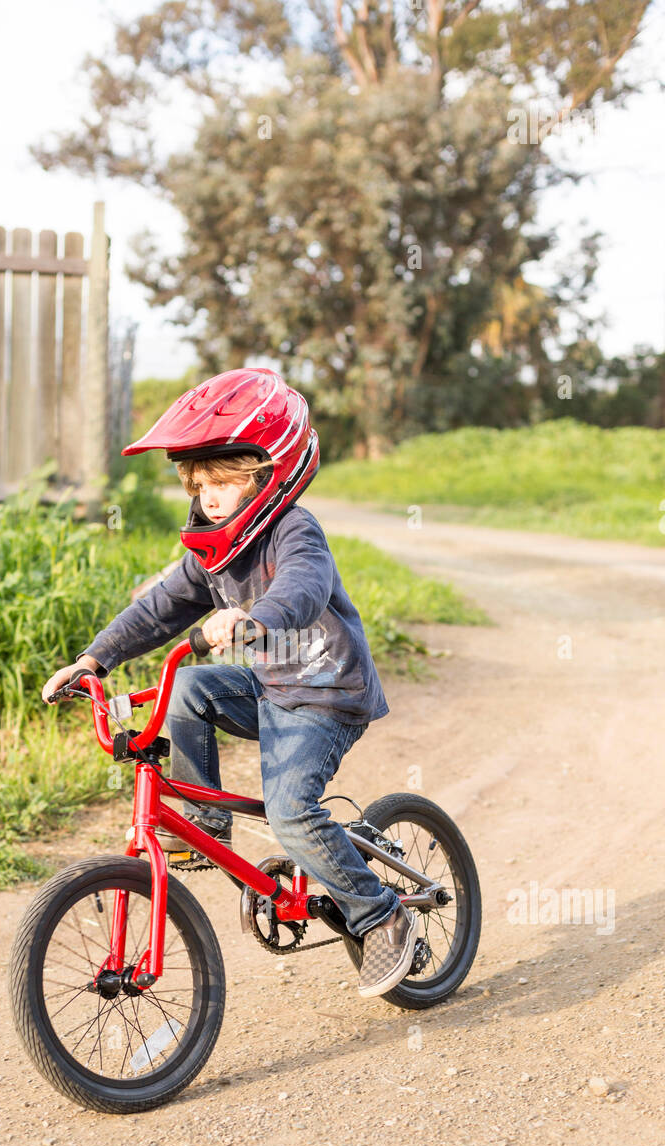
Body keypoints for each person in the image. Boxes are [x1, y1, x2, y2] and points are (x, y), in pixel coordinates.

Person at [42, 367, 418, 998]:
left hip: (326, 696)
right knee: (189, 688)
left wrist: (256, 618)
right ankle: (205, 818)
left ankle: (381, 915)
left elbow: (303, 587)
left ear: (270, 475)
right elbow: (159, 608)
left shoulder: (295, 530)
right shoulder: (210, 551)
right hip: (273, 690)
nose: (208, 497)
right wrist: (93, 660)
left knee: (291, 812)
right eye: (199, 483)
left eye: (223, 482)